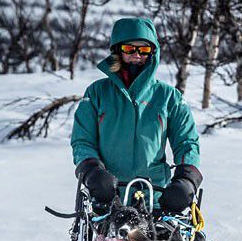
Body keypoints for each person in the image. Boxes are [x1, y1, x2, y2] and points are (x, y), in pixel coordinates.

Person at [70, 17, 202, 215]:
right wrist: (92, 171)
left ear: (153, 52)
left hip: (156, 198)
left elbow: (187, 142)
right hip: (107, 197)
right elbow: (82, 140)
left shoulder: (168, 96)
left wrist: (186, 179)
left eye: (144, 49)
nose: (137, 55)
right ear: (117, 51)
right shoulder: (97, 93)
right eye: (129, 49)